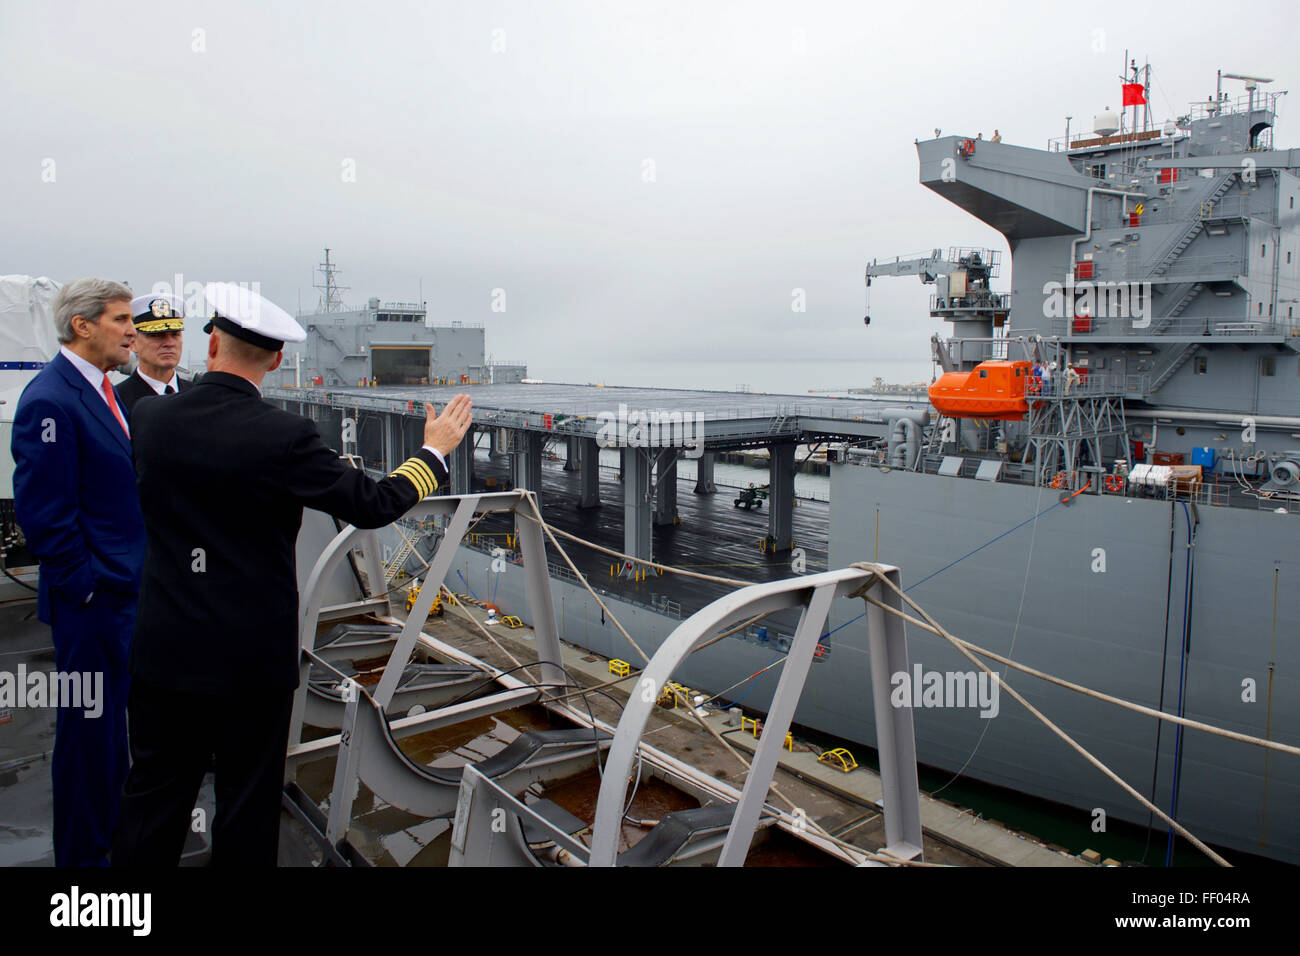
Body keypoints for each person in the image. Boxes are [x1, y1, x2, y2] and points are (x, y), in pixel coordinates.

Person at [112, 282, 473, 866]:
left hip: (165, 649)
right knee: (247, 804)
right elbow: (374, 504)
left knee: (153, 799)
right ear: (277, 360)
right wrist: (433, 450)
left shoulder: (149, 418)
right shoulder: (285, 437)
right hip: (249, 662)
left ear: (211, 347)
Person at [10, 278, 145, 866]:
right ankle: (84, 868)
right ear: (83, 326)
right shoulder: (52, 398)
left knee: (110, 736)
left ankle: (108, 840)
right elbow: (44, 512)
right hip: (91, 604)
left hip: (117, 596)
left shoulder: (98, 390)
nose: (132, 331)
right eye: (121, 320)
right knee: (88, 741)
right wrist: (85, 591)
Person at [115, 293, 194, 413]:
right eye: (156, 335)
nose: (169, 343)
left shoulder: (198, 397)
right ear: (133, 343)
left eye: (175, 334)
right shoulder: (117, 401)